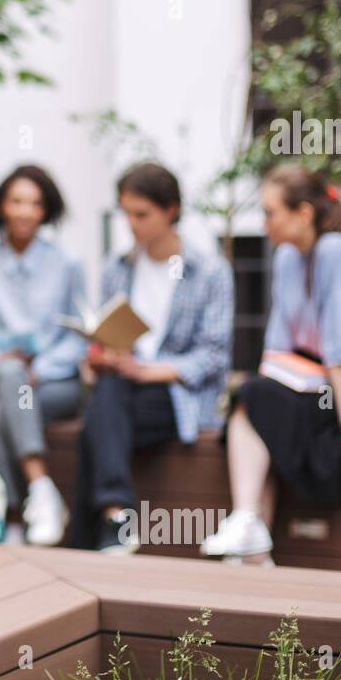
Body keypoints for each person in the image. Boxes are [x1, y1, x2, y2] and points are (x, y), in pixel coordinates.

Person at [201, 165, 341, 564]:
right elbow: (277, 341)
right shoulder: (286, 257)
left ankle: (250, 536)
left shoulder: (334, 251)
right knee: (254, 399)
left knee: (257, 401)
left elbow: (338, 347)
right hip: (309, 374)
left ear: (303, 214)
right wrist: (264, 384)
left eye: (270, 212)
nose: (264, 224)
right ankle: (250, 536)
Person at [68, 163, 234, 553]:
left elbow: (214, 356)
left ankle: (93, 534)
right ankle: (114, 518)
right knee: (105, 399)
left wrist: (146, 372)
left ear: (171, 210)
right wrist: (100, 356)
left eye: (141, 214)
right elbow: (107, 331)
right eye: (125, 213)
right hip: (121, 390)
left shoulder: (209, 271)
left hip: (177, 395)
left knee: (98, 418)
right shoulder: (117, 267)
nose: (131, 224)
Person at [0, 165, 88, 545]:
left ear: (46, 210)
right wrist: (0, 361)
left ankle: (15, 518)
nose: (24, 212)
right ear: (1, 206)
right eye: (16, 202)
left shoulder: (68, 263)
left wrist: (43, 369)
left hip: (53, 383)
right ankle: (42, 488)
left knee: (1, 409)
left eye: (34, 204)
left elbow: (78, 336)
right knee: (9, 377)